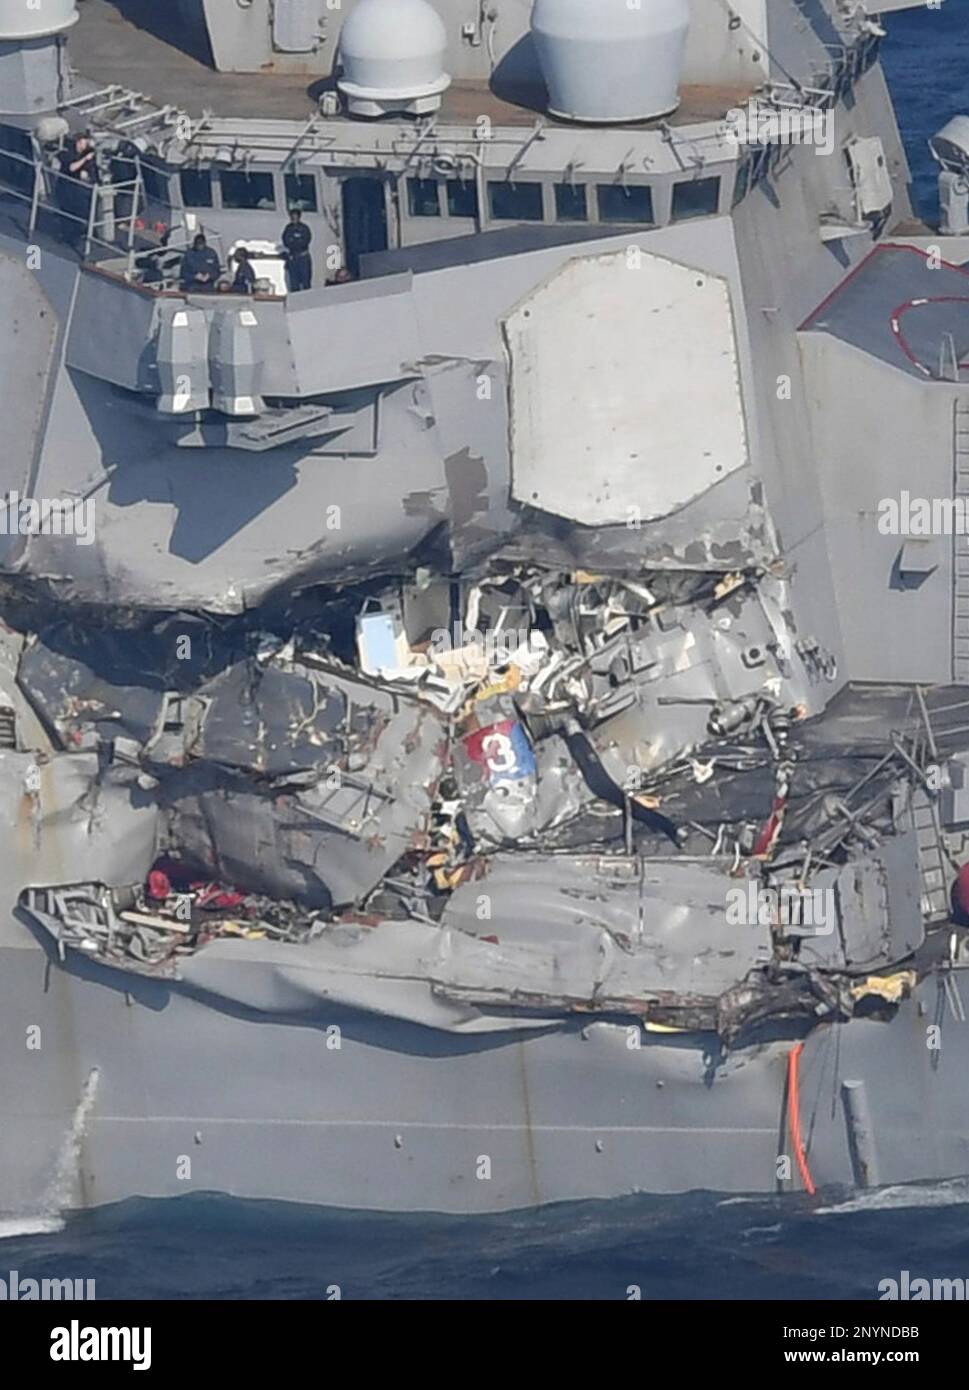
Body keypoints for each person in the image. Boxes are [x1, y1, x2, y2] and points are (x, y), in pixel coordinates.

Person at [56, 132, 99, 250]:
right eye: (85, 142)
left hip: (79, 191)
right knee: (68, 213)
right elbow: (71, 167)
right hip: (66, 189)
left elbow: (90, 173)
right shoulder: (67, 153)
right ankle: (67, 236)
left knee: (82, 212)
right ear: (79, 142)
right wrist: (85, 159)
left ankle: (80, 234)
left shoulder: (86, 155)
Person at [281, 207, 312, 292]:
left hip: (303, 257)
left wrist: (295, 242)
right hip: (293, 258)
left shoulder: (304, 228)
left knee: (306, 282)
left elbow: (305, 241)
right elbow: (286, 241)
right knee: (294, 283)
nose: (293, 219)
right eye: (292, 217)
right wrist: (295, 243)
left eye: (295, 216)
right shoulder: (288, 228)